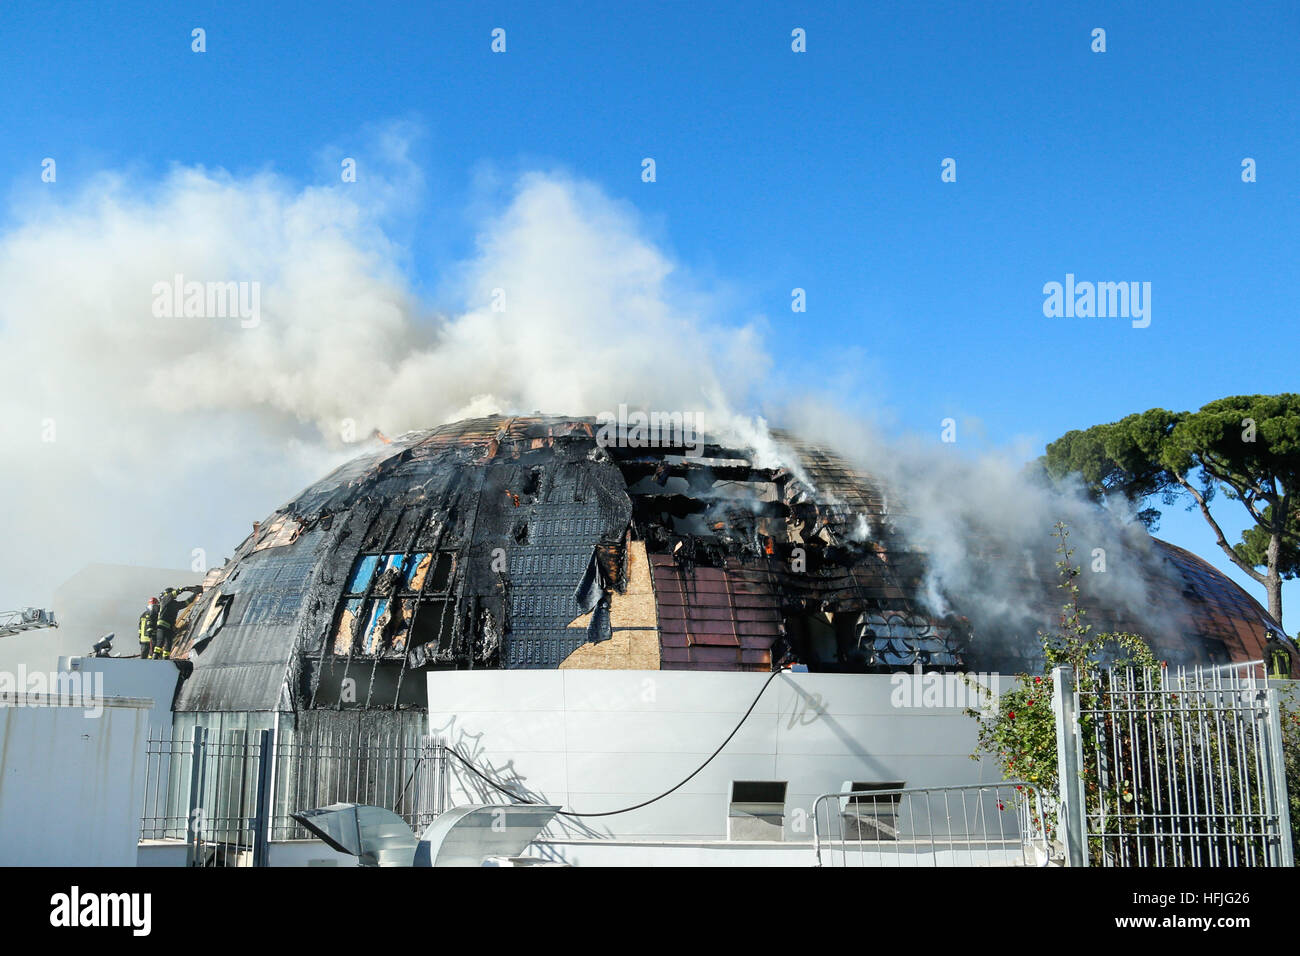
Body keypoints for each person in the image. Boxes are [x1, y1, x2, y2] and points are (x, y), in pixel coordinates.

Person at [153, 585, 202, 659]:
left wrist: (195, 594)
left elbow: (186, 603)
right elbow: (173, 594)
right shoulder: (165, 600)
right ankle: (154, 659)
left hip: (169, 628)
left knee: (168, 646)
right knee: (159, 644)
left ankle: (165, 660)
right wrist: (183, 589)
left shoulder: (174, 604)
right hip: (162, 627)